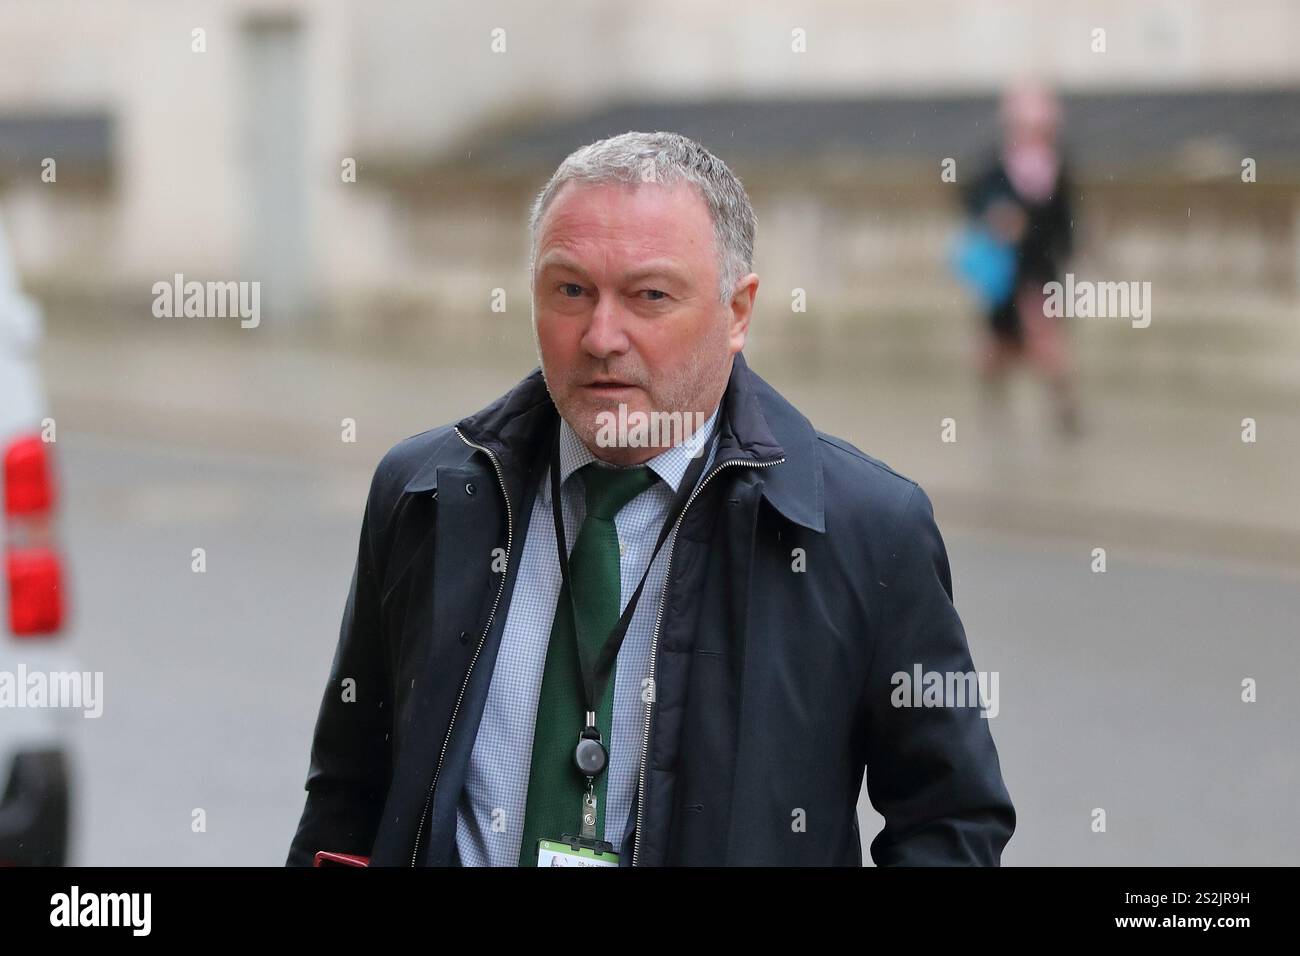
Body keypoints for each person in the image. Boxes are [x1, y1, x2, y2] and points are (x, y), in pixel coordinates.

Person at [287, 131, 1014, 867]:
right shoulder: (425, 495)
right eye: (570, 290)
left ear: (737, 312)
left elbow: (950, 820)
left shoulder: (865, 528)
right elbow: (348, 793)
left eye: (649, 296)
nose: (602, 336)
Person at [962, 83, 1081, 437]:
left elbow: (1066, 224)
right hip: (1003, 276)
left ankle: (1065, 412)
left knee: (1047, 340)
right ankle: (994, 406)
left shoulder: (1057, 169)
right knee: (1000, 348)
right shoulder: (993, 168)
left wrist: (1034, 231)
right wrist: (997, 219)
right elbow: (973, 205)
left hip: (1039, 271)